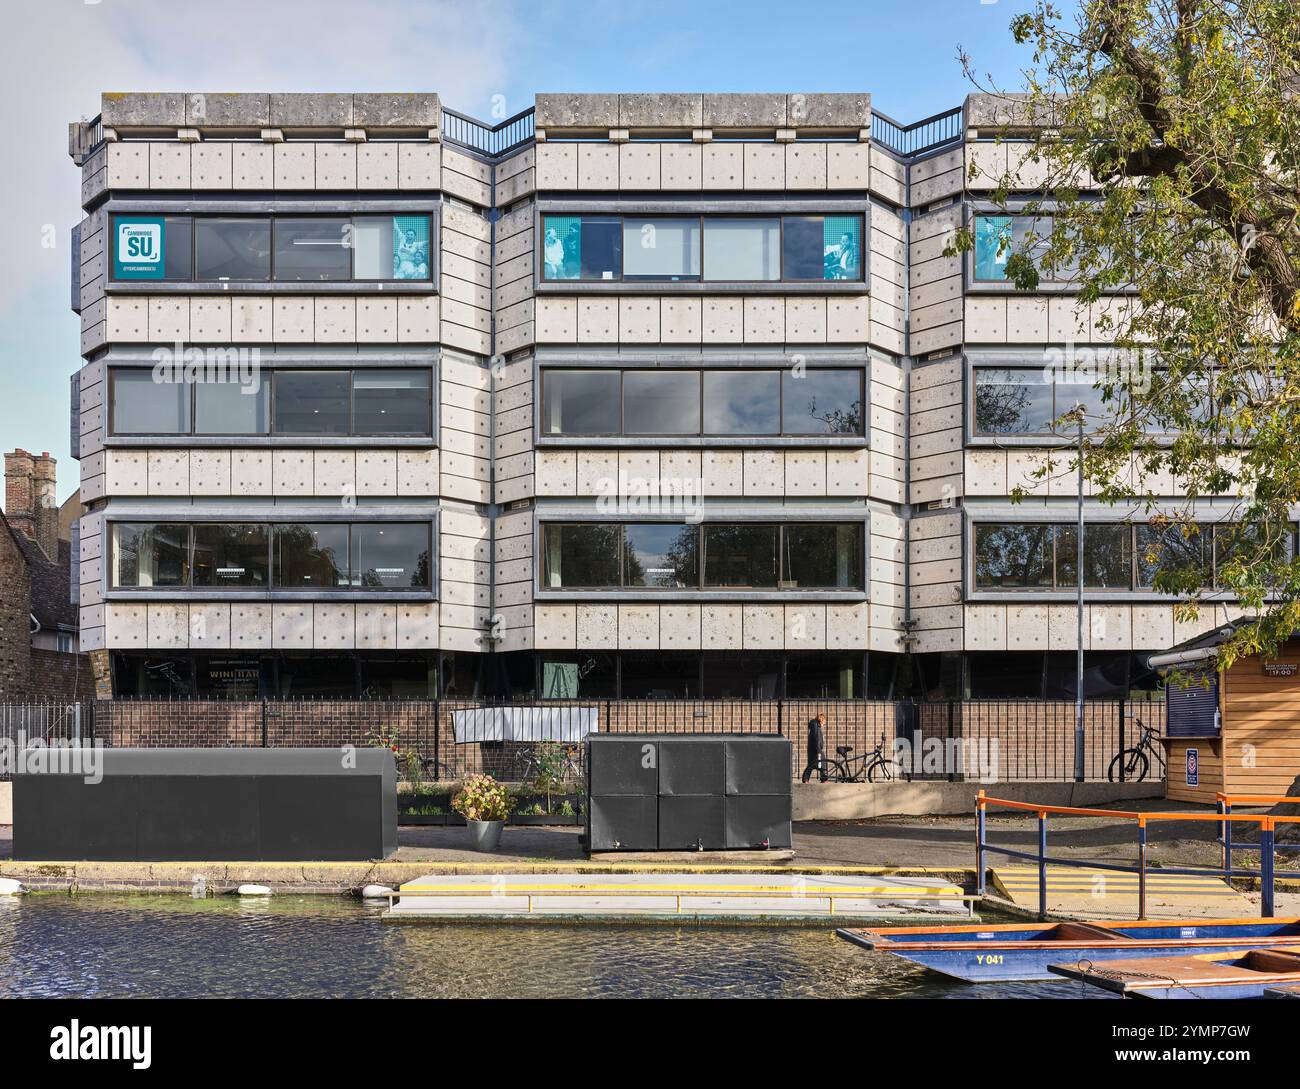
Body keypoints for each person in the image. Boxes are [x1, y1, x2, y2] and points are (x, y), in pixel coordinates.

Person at [801, 711, 827, 783]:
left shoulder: (815, 726)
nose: (824, 723)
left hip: (814, 749)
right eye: (824, 721)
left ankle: (807, 779)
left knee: (813, 764)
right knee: (819, 763)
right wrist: (818, 750)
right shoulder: (816, 726)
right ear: (821, 719)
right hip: (816, 749)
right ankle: (822, 778)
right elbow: (817, 738)